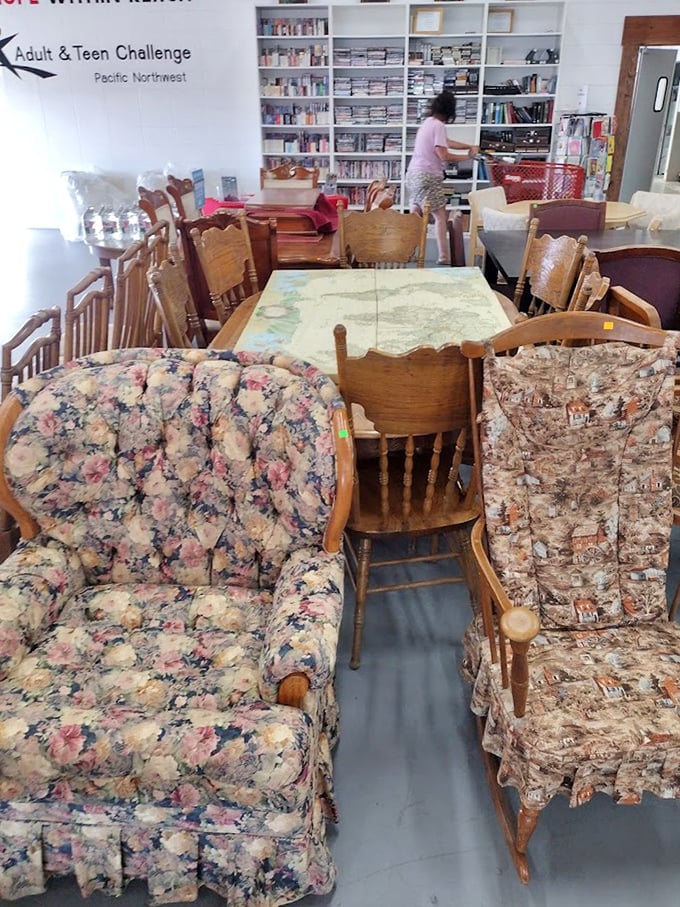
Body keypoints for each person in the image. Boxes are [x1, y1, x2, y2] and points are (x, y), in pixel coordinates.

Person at [405, 92, 479, 265]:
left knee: (416, 214)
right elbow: (444, 155)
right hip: (428, 176)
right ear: (450, 110)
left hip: (413, 175)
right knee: (440, 215)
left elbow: (446, 142)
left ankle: (409, 252)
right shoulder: (438, 125)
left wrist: (469, 146)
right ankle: (444, 256)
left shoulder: (427, 123)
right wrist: (468, 157)